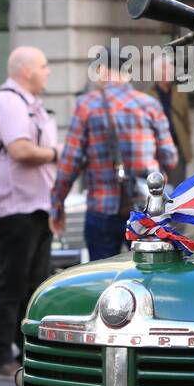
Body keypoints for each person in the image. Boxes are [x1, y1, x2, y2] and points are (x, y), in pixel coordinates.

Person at [51, 49, 178, 261]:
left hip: (102, 208)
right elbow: (170, 158)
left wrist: (57, 206)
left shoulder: (86, 105)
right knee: (146, 275)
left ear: (101, 70)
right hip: (146, 210)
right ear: (128, 73)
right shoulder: (149, 104)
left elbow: (69, 164)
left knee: (104, 278)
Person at [0, 47, 60, 380]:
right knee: (10, 283)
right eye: (43, 65)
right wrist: (57, 153)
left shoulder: (31, 105)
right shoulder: (8, 102)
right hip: (14, 208)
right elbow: (20, 149)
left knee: (32, 285)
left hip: (35, 206)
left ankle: (24, 352)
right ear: (26, 70)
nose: (48, 71)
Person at [147, 56, 193, 185]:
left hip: (177, 149)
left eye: (170, 68)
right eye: (164, 68)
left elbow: (186, 122)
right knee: (159, 189)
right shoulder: (148, 96)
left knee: (178, 191)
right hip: (157, 152)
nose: (168, 72)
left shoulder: (180, 94)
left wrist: (186, 147)